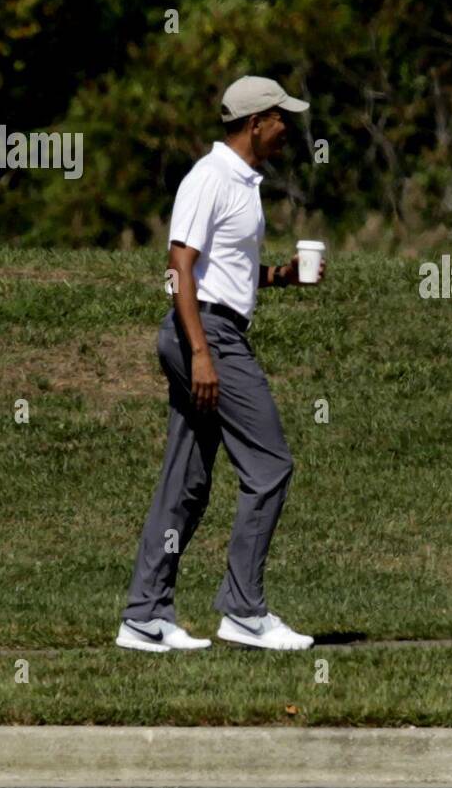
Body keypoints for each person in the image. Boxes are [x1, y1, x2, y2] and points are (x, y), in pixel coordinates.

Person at [117, 76, 322, 653]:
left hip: (210, 327)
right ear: (256, 124)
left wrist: (279, 277)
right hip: (205, 336)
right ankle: (243, 610)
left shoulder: (243, 182)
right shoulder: (209, 179)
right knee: (270, 466)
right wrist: (202, 353)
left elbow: (220, 270)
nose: (288, 128)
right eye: (282, 118)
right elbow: (179, 266)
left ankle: (144, 615)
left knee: (186, 481)